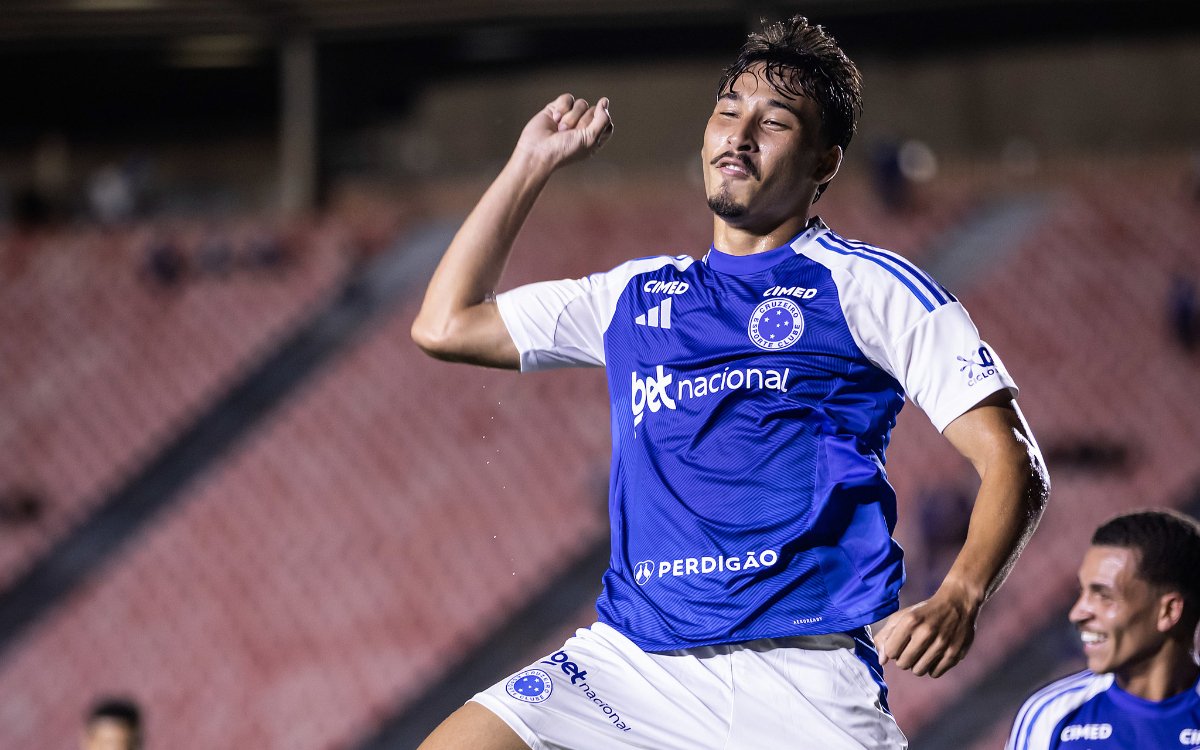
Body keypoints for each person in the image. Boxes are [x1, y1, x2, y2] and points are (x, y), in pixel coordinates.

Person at [411, 14, 1049, 750]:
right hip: (632, 663)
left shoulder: (870, 288)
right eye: (727, 113)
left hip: (801, 677)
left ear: (825, 164)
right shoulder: (636, 297)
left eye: (773, 123)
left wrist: (964, 593)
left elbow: (1013, 461)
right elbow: (445, 325)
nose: (739, 136)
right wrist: (529, 164)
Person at [1005, 509, 1200, 749]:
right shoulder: (1050, 715)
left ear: (1168, 612)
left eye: (1104, 596)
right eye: (1082, 592)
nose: (1077, 613)